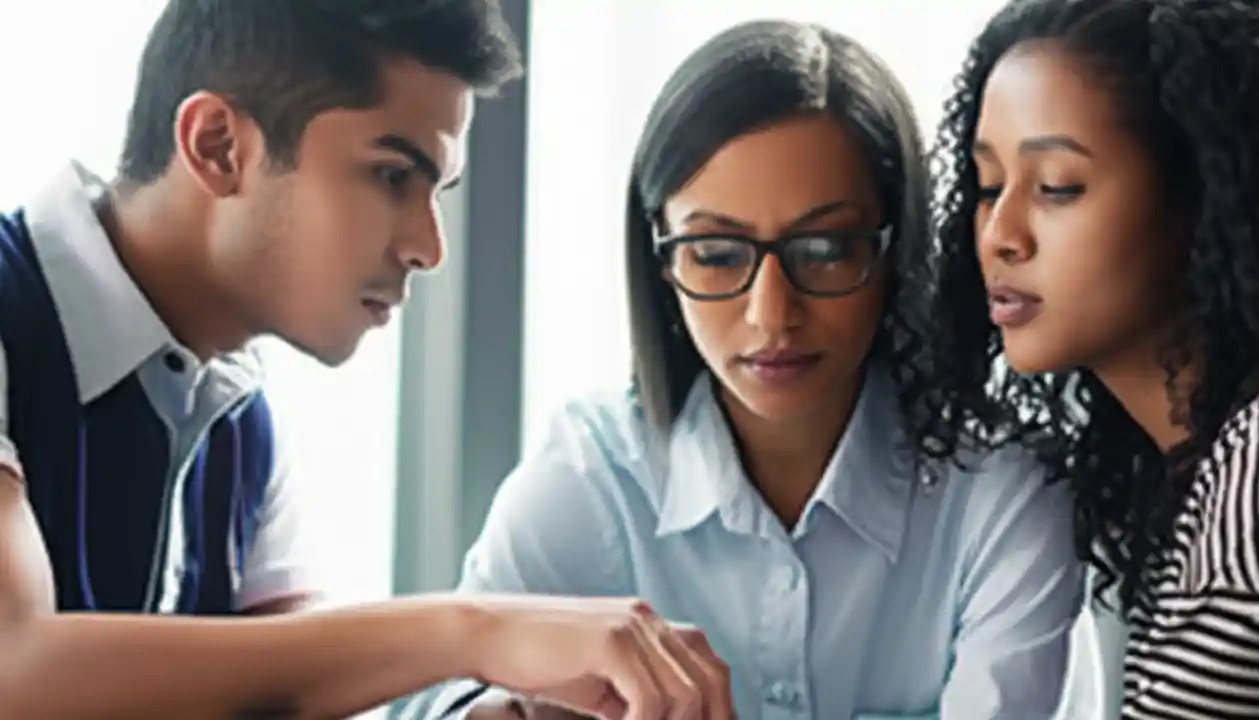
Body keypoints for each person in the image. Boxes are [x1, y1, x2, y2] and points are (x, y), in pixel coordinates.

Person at [0, 2, 735, 718]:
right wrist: (477, 632)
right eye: (392, 175)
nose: (429, 248)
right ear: (218, 145)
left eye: (437, 191)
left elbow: (288, 689)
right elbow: (12, 665)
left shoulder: (236, 416)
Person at [418, 19, 1093, 720]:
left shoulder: (1001, 494)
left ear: (896, 250)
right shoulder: (594, 476)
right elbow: (441, 695)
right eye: (716, 254)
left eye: (824, 250)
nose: (772, 317)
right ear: (661, 260)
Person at [920, 0, 1259, 717]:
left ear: (1202, 198)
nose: (999, 234)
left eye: (1057, 187)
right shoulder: (1180, 480)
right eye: (988, 187)